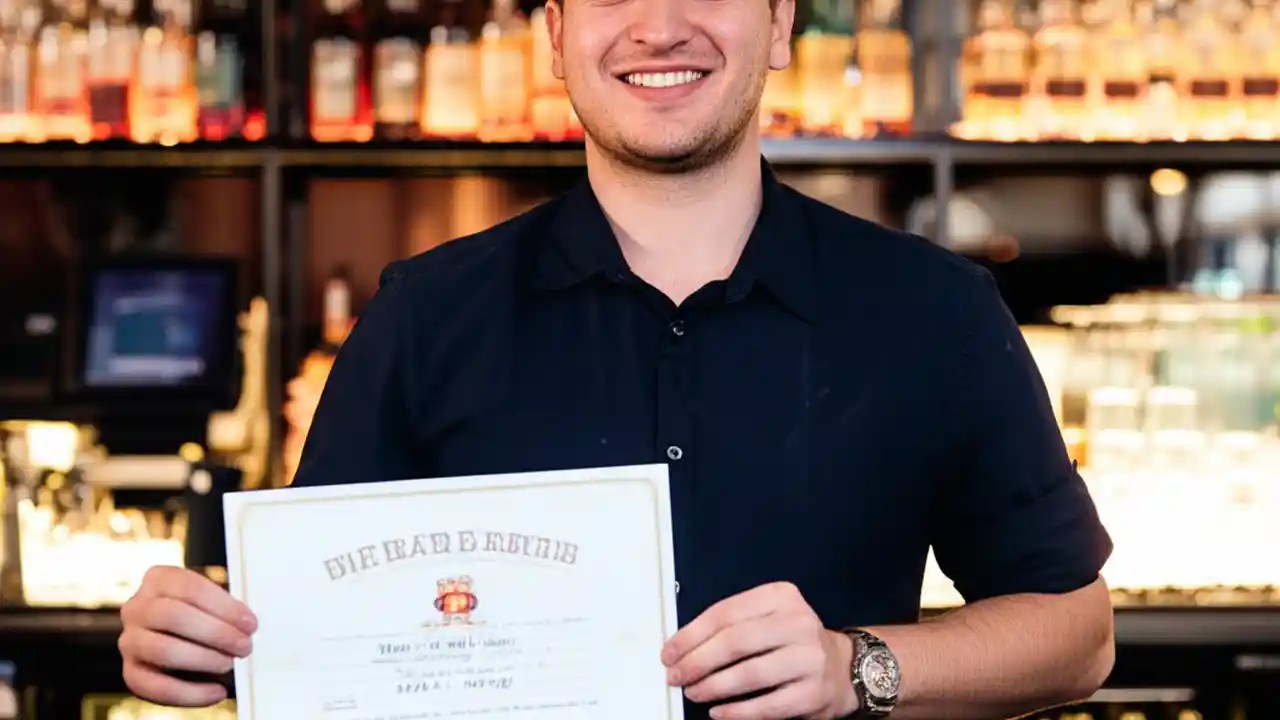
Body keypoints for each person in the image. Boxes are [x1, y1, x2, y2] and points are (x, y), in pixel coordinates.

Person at [117, 0, 1116, 717]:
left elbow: (1077, 636)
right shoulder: (423, 315)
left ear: (778, 23)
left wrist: (853, 669)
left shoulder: (929, 306)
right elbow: (321, 637)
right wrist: (203, 650)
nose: (657, 25)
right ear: (554, 33)